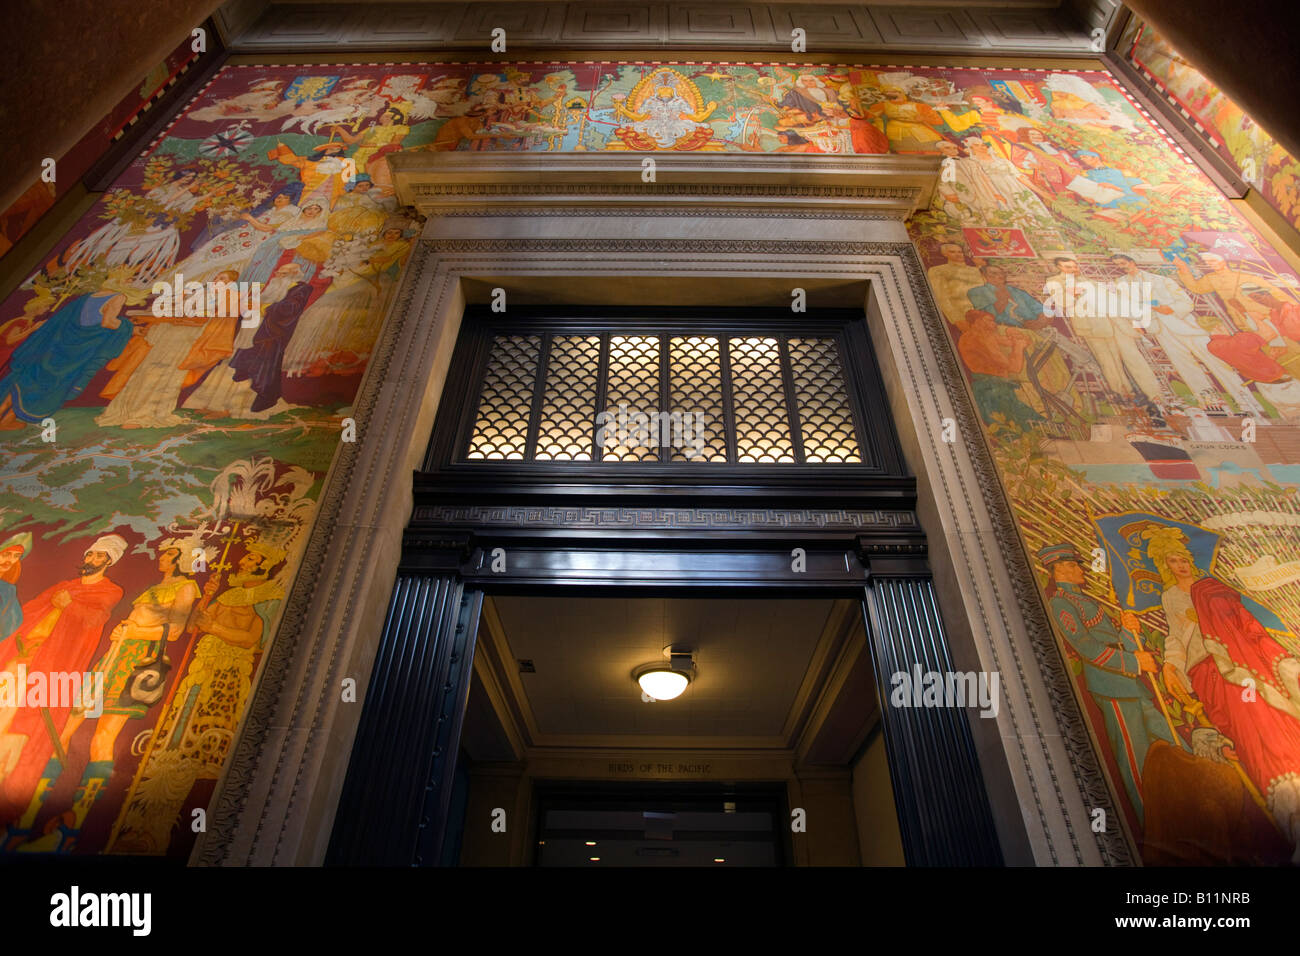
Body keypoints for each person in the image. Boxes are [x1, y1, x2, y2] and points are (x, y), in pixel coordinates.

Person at [16, 543, 202, 853]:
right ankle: (27, 817)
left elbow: (172, 632)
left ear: (180, 558)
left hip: (137, 662)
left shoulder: (186, 588)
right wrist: (123, 632)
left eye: (169, 553)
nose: (162, 556)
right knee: (64, 729)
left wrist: (132, 632)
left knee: (103, 737)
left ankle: (74, 822)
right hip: (114, 657)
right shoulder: (157, 587)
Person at [1142, 526, 1300, 860]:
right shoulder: (1171, 596)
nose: (1182, 565)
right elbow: (1175, 637)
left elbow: (1244, 623)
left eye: (1184, 559)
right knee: (1243, 727)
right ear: (1164, 564)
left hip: (1241, 663)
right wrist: (1171, 666)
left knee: (1264, 713)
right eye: (1174, 560)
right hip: (1207, 668)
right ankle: (1284, 807)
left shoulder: (1212, 589)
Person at [1036, 542, 1179, 825]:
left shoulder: (1089, 601)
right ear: (1060, 569)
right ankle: (1151, 824)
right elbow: (1087, 648)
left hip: (1130, 684)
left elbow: (1114, 641)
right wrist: (1134, 663)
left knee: (1170, 739)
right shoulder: (1061, 603)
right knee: (1134, 758)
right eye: (1075, 565)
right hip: (1110, 686)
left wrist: (1128, 631)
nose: (1081, 570)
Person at [0, 534, 128, 846]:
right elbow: (30, 611)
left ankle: (12, 800)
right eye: (90, 553)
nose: (91, 558)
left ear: (109, 561)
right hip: (25, 656)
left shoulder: (109, 590)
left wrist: (70, 605)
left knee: (29, 727)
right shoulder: (63, 585)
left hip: (55, 664)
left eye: (98, 556)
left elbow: (95, 616)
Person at [0, 286, 133, 429]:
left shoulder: (89, 296)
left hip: (59, 345)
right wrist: (127, 325)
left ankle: (3, 415)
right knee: (42, 386)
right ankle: (7, 420)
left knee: (26, 379)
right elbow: (108, 323)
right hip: (76, 354)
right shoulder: (119, 296)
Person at [0, 533, 32, 641]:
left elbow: (14, 624)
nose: (10, 560)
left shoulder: (8, 589)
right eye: (6, 554)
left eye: (16, 556)